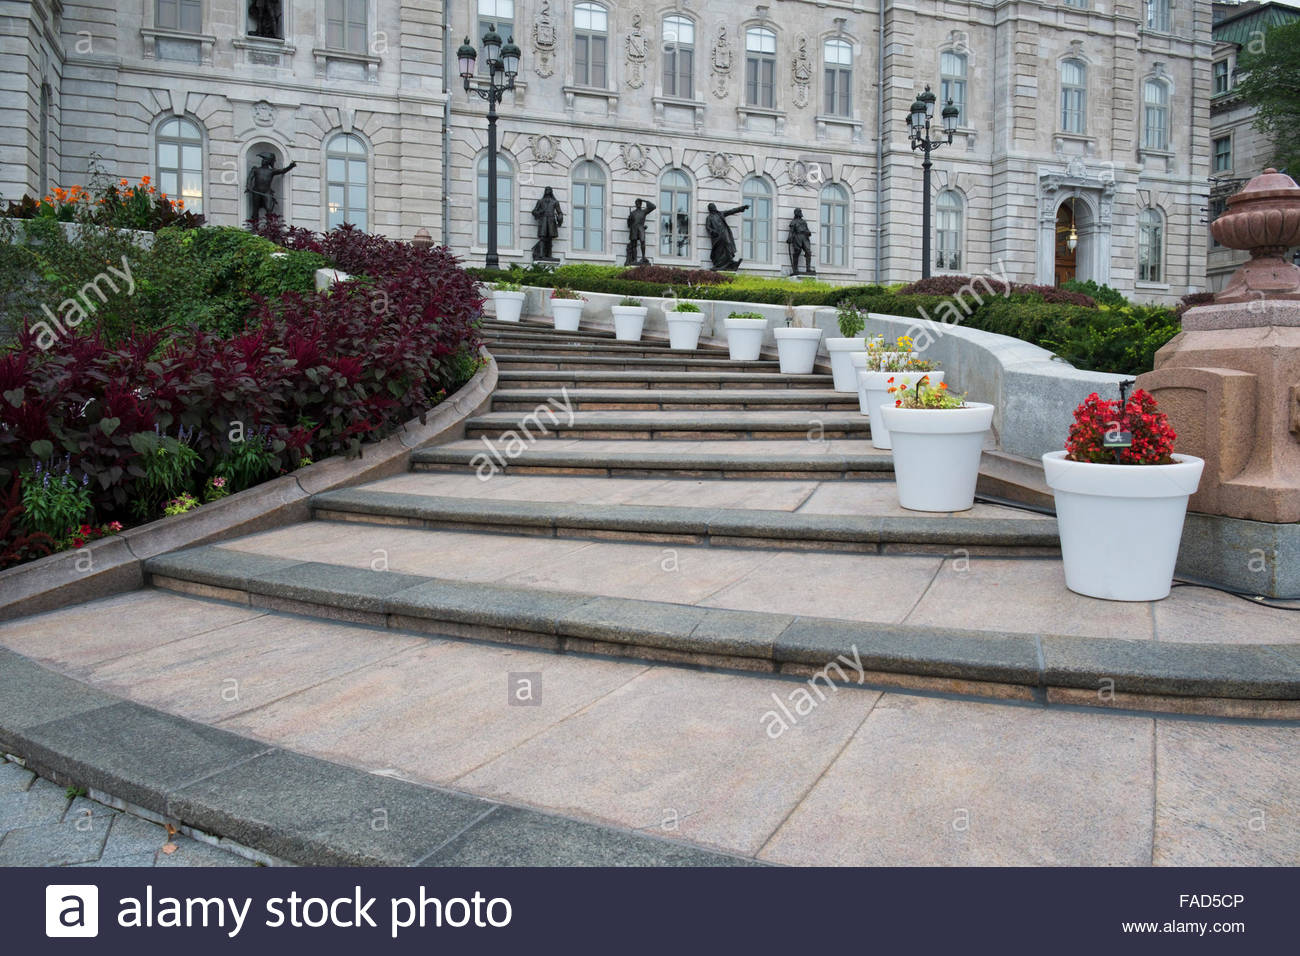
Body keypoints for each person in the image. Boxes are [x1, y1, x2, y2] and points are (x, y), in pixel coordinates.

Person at [245, 152, 296, 223]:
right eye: (263, 159)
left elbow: (282, 171)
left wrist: (290, 166)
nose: (263, 161)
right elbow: (250, 178)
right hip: (256, 191)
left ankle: (269, 226)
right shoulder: (255, 169)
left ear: (269, 161)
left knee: (269, 209)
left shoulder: (271, 171)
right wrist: (248, 186)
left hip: (267, 192)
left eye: (265, 159)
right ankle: (254, 227)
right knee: (255, 210)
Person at [705, 202, 748, 270]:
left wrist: (741, 208)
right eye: (711, 207)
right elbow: (707, 227)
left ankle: (731, 262)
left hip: (724, 233)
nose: (713, 208)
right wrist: (713, 232)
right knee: (718, 250)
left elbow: (731, 211)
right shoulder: (709, 218)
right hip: (717, 237)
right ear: (710, 209)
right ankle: (718, 264)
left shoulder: (720, 214)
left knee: (728, 245)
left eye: (713, 206)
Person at [531, 186, 564, 261]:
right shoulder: (540, 201)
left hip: (551, 221)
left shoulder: (555, 202)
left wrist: (560, 218)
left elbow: (559, 212)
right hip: (543, 221)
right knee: (542, 238)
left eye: (549, 190)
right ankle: (541, 255)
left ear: (551, 191)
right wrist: (540, 212)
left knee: (550, 238)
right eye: (546, 190)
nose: (547, 191)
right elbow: (534, 211)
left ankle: (549, 255)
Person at [624, 199, 657, 265]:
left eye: (640, 203)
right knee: (634, 245)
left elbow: (653, 206)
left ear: (641, 204)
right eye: (637, 203)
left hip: (641, 228)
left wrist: (644, 200)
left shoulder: (644, 211)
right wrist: (629, 220)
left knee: (643, 242)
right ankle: (635, 260)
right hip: (634, 229)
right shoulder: (632, 213)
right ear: (635, 204)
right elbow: (629, 225)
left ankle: (643, 257)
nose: (639, 204)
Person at [786, 207, 814, 275]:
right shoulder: (793, 222)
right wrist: (789, 238)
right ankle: (795, 269)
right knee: (797, 252)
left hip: (805, 237)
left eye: (800, 212)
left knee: (808, 251)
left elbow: (807, 229)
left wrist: (808, 232)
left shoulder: (804, 222)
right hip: (797, 237)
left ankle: (808, 269)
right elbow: (791, 231)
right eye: (798, 212)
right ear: (796, 213)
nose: (800, 213)